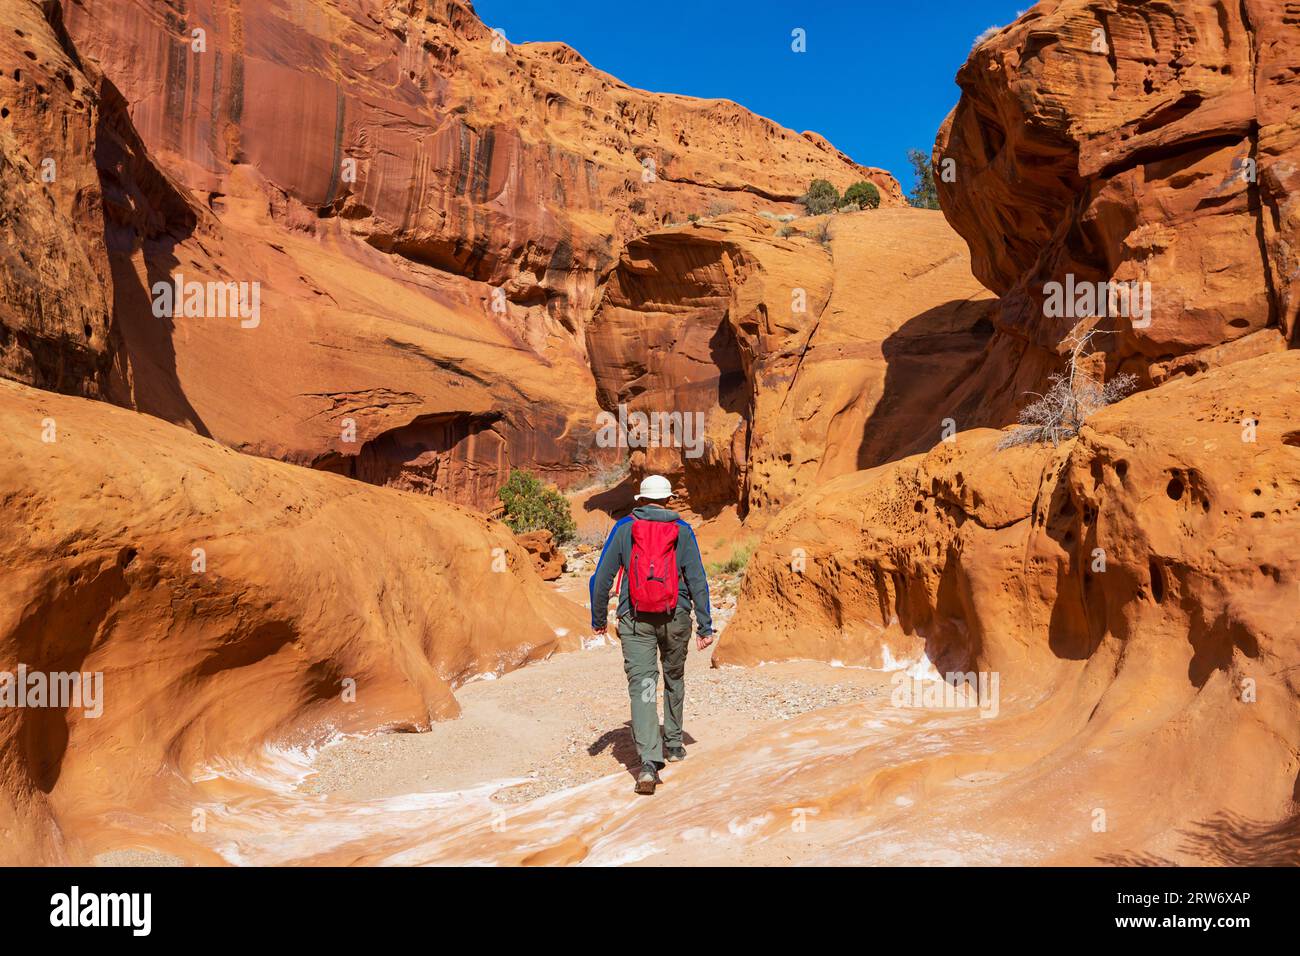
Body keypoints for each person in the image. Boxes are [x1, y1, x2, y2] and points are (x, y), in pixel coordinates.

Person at [589, 474, 713, 794]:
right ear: (669, 499)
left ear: (641, 500)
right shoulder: (682, 529)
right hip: (676, 616)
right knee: (674, 678)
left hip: (635, 618)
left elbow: (601, 578)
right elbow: (697, 578)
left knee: (643, 684)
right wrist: (705, 625)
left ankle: (648, 762)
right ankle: (674, 744)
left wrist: (599, 619)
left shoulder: (624, 527)